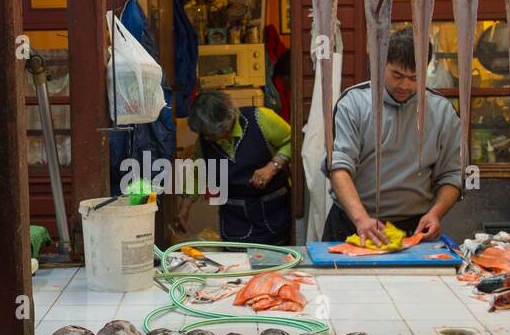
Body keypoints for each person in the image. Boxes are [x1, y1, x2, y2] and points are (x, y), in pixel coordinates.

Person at [322, 27, 463, 244]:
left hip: (414, 228)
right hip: (353, 223)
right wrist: (361, 218)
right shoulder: (353, 104)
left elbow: (453, 175)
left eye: (415, 78)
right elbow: (338, 166)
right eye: (397, 75)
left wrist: (436, 213)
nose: (405, 85)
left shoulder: (442, 111)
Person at [175, 89, 293, 245]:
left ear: (226, 122)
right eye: (205, 135)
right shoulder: (204, 140)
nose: (207, 139)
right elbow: (198, 173)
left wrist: (273, 165)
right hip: (234, 221)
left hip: (272, 212)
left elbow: (293, 140)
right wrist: (185, 207)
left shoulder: (261, 119)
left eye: (211, 134)